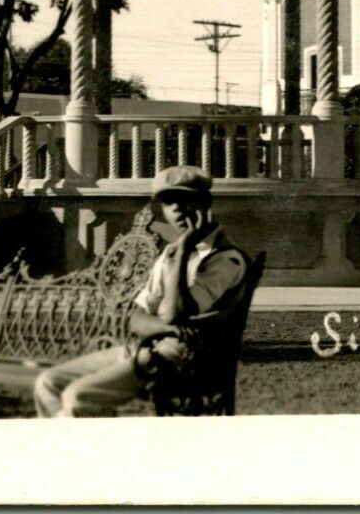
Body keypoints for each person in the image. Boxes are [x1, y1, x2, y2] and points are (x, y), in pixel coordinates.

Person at [34, 165, 248, 418]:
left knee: (77, 396)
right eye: (168, 202)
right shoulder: (171, 252)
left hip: (186, 358)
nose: (177, 208)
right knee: (49, 382)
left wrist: (182, 253)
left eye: (185, 199)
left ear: (205, 202)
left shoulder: (224, 258)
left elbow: (175, 312)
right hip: (148, 346)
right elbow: (136, 316)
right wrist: (167, 328)